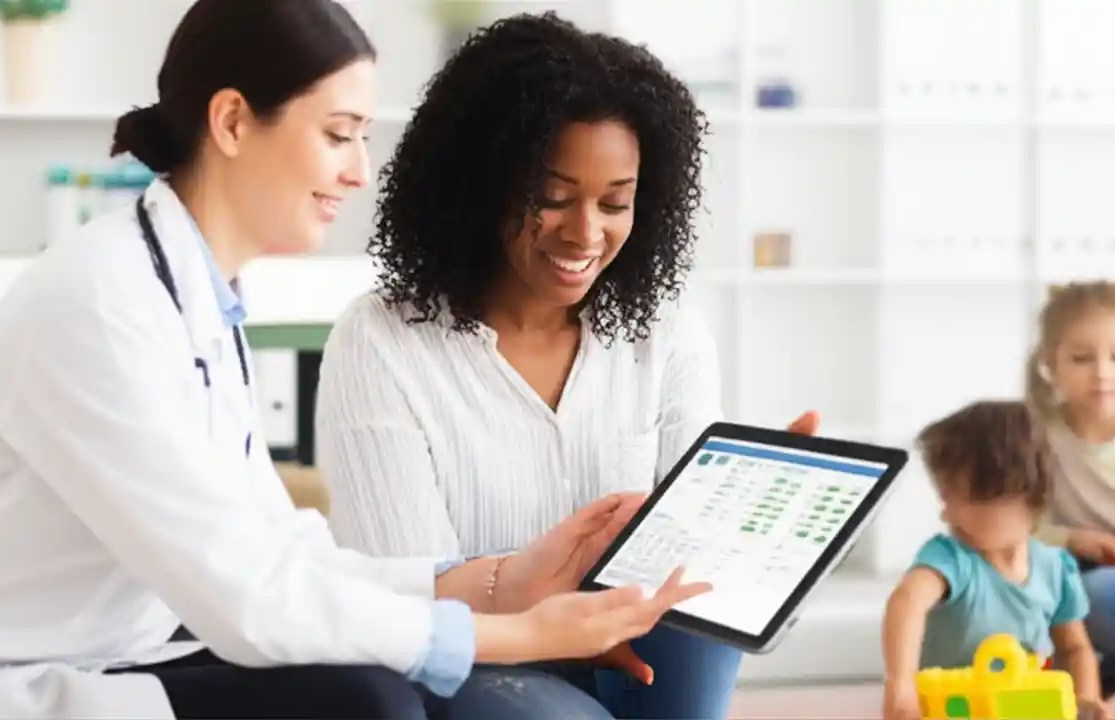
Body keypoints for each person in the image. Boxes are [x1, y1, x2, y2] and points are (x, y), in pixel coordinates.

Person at [0, 2, 710, 718]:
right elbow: (252, 601)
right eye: (338, 135)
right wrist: (517, 632)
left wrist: (497, 579)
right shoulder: (101, 303)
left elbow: (283, 551)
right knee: (363, 696)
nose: (358, 171)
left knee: (359, 683)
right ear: (233, 122)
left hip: (110, 656)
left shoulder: (194, 295)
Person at [315, 13, 817, 719]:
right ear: (482, 185)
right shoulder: (382, 343)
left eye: (615, 203)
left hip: (640, 651)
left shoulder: (668, 335)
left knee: (699, 616)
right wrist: (559, 623)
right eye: (551, 199)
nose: (585, 233)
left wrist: (757, 526)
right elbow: (409, 601)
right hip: (478, 666)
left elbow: (692, 577)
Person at [881, 401, 1106, 720]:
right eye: (944, 498)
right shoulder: (950, 558)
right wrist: (901, 686)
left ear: (1023, 493)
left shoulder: (1055, 568)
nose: (946, 513)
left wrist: (1086, 698)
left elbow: (1074, 648)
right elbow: (907, 602)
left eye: (963, 499)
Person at [1026, 280, 1115, 694]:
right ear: (1050, 362)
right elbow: (1020, 526)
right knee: (1094, 596)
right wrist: (1075, 538)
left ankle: (1106, 677)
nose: (1102, 373)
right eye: (1081, 358)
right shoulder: (1037, 435)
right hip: (1082, 574)